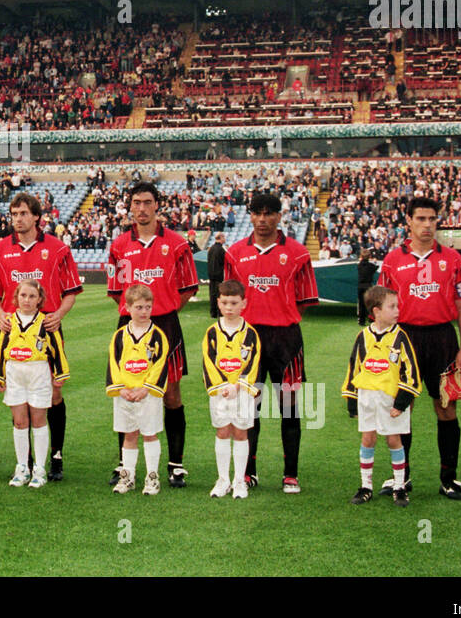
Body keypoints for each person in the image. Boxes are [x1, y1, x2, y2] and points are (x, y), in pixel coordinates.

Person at [377, 197, 461, 500]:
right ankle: (400, 478)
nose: (427, 225)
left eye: (432, 219)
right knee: (400, 409)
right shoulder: (393, 260)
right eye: (421, 219)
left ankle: (449, 478)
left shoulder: (453, 260)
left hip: (443, 339)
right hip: (403, 339)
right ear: (409, 221)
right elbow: (381, 308)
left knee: (446, 407)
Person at [223, 192, 319, 492]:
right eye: (257, 213)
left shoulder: (298, 253)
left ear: (280, 216)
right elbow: (228, 300)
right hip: (248, 340)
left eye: (269, 213)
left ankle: (291, 473)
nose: (262, 219)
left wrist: (281, 315)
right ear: (250, 215)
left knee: (289, 407)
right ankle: (248, 471)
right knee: (249, 408)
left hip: (286, 339)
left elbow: (303, 300)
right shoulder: (235, 253)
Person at [105, 182, 199, 488]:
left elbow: (188, 288)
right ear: (130, 207)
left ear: (157, 205)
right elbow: (115, 291)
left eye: (147, 202)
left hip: (165, 326)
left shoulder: (177, 244)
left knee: (171, 394)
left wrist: (165, 312)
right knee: (125, 393)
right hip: (128, 327)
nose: (142, 208)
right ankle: (125, 466)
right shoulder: (118, 246)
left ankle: (175, 465)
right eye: (136, 203)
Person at [0, 192, 82, 481]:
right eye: (14, 215)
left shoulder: (58, 248)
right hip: (14, 332)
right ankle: (24, 462)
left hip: (47, 328)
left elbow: (71, 291)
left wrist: (58, 315)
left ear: (36, 216)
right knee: (19, 398)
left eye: (23, 213)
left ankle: (56, 456)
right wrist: (1, 314)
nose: (18, 219)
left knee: (54, 391)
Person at [343, 286, 422, 507]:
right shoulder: (363, 337)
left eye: (397, 306)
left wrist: (402, 402)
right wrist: (352, 402)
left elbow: (412, 372)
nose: (397, 310)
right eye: (392, 306)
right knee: (368, 439)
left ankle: (399, 486)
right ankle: (366, 486)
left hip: (391, 400)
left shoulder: (401, 337)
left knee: (394, 440)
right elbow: (354, 369)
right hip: (367, 398)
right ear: (376, 311)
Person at [0, 279, 69, 489]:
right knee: (19, 422)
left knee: (39, 420)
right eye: (23, 295)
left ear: (40, 300)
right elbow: (1, 349)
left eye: (32, 296)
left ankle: (40, 469)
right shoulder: (8, 321)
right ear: (16, 298)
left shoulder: (47, 322)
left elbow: (57, 350)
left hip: (39, 373)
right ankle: (22, 467)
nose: (27, 300)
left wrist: (60, 373)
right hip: (15, 373)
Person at [106, 285, 170, 496]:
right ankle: (128, 476)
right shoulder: (119, 336)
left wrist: (146, 388)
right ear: (127, 308)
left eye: (148, 307)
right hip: (125, 393)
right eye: (139, 307)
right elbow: (113, 363)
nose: (144, 312)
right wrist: (121, 388)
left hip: (148, 394)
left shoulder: (158, 336)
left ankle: (152, 478)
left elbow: (160, 365)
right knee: (129, 435)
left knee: (149, 434)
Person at [200, 279, 261, 499]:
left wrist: (238, 385)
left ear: (243, 303)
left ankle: (239, 481)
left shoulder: (251, 333)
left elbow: (254, 363)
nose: (229, 308)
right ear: (218, 302)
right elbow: (208, 361)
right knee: (222, 431)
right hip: (220, 392)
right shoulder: (212, 332)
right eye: (225, 302)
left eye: (234, 303)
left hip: (242, 392)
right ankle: (223, 479)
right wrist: (223, 385)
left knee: (240, 432)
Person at [207, 232, 226, 319]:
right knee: (219, 295)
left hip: (211, 274)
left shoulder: (211, 249)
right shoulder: (221, 250)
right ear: (221, 238)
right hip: (219, 275)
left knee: (212, 294)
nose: (225, 239)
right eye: (224, 237)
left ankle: (213, 312)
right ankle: (220, 312)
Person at [356, 249, 378, 326]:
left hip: (361, 286)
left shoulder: (359, 266)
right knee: (370, 303)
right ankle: (371, 318)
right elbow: (376, 267)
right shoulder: (371, 266)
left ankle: (361, 320)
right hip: (368, 286)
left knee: (361, 303)